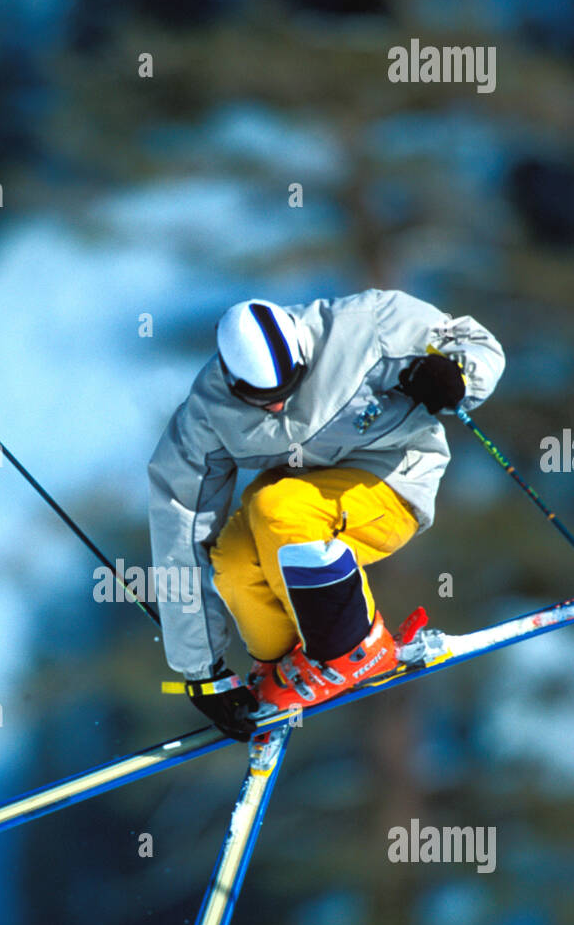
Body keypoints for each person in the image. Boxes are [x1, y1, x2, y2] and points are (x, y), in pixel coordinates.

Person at [148, 290, 505, 741]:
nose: (278, 406)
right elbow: (180, 524)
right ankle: (283, 666)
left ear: (302, 355)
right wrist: (202, 671)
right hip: (299, 496)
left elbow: (478, 343)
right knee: (234, 560)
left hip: (393, 479)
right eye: (261, 399)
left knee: (277, 508)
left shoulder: (365, 326)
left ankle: (353, 648)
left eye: (286, 389)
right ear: (232, 382)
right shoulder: (208, 412)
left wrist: (458, 377)